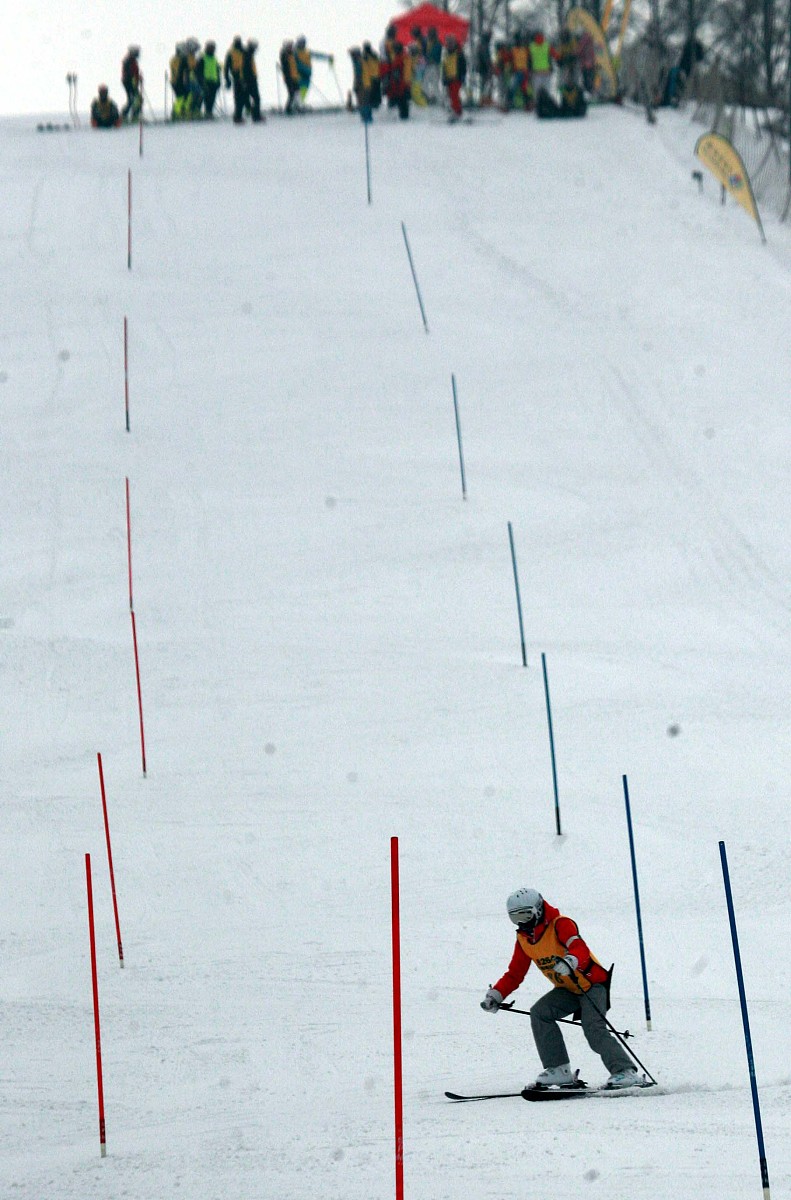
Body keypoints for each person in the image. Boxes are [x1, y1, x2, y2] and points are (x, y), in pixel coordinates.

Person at [481, 888, 640, 1090]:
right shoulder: (524, 939)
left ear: (538, 910)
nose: (522, 922)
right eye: (515, 918)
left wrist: (571, 961)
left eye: (525, 915)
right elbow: (515, 973)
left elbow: (578, 947)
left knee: (593, 1028)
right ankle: (558, 1070)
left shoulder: (560, 924)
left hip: (592, 985)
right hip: (567, 989)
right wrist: (496, 995)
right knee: (540, 1012)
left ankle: (625, 1071)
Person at [441, 34, 467, 121]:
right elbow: (444, 66)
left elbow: (463, 66)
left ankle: (456, 112)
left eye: (451, 43)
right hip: (449, 78)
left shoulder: (459, 53)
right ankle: (457, 111)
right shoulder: (446, 54)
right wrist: (443, 77)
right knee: (451, 96)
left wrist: (463, 76)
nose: (449, 45)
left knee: (454, 95)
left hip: (457, 78)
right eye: (448, 43)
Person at [224, 36, 247, 123]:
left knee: (243, 96)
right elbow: (226, 67)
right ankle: (237, 116)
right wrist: (227, 79)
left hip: (244, 76)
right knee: (239, 97)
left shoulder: (243, 51)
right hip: (237, 76)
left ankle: (240, 114)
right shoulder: (231, 52)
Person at [198, 41, 221, 117]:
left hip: (213, 81)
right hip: (205, 81)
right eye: (211, 48)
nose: (212, 49)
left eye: (213, 48)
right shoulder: (202, 57)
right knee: (205, 97)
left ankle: (209, 112)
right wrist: (202, 81)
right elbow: (199, 71)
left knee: (212, 98)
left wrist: (218, 81)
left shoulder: (214, 58)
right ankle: (199, 112)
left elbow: (217, 70)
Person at [528, 32, 553, 102]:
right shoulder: (547, 45)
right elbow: (555, 55)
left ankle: (537, 103)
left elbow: (528, 58)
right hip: (546, 71)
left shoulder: (531, 46)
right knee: (547, 89)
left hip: (536, 71)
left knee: (536, 90)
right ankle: (547, 102)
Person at [120, 45, 143, 121]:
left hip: (131, 82)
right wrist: (136, 78)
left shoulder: (131, 60)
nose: (138, 54)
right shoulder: (129, 60)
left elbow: (134, 72)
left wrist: (138, 77)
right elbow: (130, 73)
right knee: (134, 99)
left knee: (135, 99)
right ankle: (128, 115)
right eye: (136, 52)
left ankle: (131, 115)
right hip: (129, 83)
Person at [243, 39, 263, 122]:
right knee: (256, 98)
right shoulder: (247, 55)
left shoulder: (249, 54)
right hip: (249, 80)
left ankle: (254, 113)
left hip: (251, 79)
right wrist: (248, 79)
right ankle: (256, 115)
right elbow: (246, 69)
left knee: (252, 98)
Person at [280, 40, 300, 113]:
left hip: (295, 76)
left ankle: (296, 106)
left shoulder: (292, 54)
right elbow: (285, 66)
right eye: (290, 46)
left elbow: (295, 65)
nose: (291, 47)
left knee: (297, 92)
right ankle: (288, 108)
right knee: (291, 93)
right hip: (289, 78)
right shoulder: (285, 55)